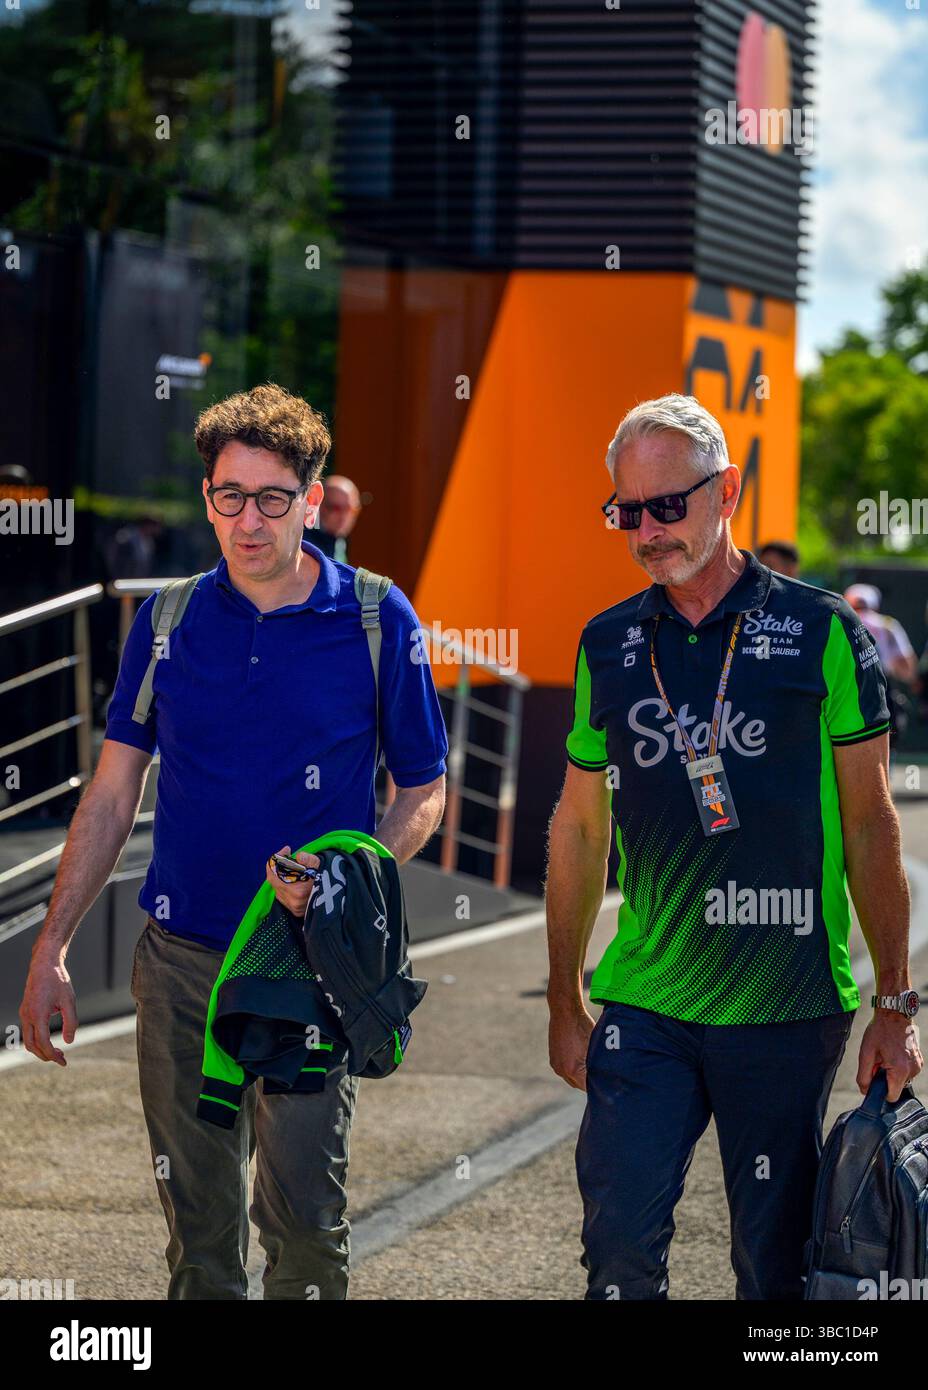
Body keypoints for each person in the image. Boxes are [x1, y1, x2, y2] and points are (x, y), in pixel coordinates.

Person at [19, 383, 449, 1301]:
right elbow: (110, 793)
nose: (247, 521)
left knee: (303, 1232)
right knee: (199, 1241)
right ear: (206, 495)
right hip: (176, 966)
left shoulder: (376, 618)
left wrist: (352, 874)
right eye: (227, 496)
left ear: (312, 496)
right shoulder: (169, 621)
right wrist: (51, 946)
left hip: (307, 966)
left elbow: (424, 788)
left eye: (271, 499)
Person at [546, 392, 923, 1301]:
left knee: (773, 1267)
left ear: (729, 491)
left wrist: (895, 1004)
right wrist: (564, 998)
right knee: (619, 1250)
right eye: (626, 512)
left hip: (789, 1000)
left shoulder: (824, 632)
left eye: (668, 505)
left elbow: (872, 822)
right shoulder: (609, 642)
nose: (647, 531)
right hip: (648, 1001)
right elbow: (579, 824)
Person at [844, 583, 918, 746]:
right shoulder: (887, 624)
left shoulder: (838, 621)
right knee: (882, 742)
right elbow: (907, 667)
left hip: (843, 689)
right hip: (880, 690)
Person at [309, 474, 361, 562]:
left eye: (350, 509)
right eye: (336, 508)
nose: (343, 516)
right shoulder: (307, 546)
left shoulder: (340, 540)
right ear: (319, 505)